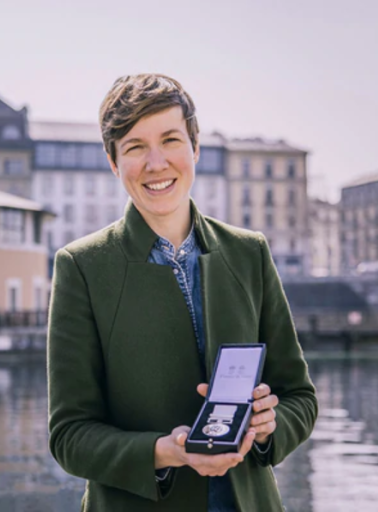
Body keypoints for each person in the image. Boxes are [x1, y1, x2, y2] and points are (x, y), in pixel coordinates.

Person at [46, 74, 318, 511]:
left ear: (195, 148)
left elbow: (299, 398)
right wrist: (162, 452)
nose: (156, 164)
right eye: (135, 147)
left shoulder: (250, 253)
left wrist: (270, 424)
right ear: (114, 163)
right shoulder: (81, 266)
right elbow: (69, 436)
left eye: (170, 140)